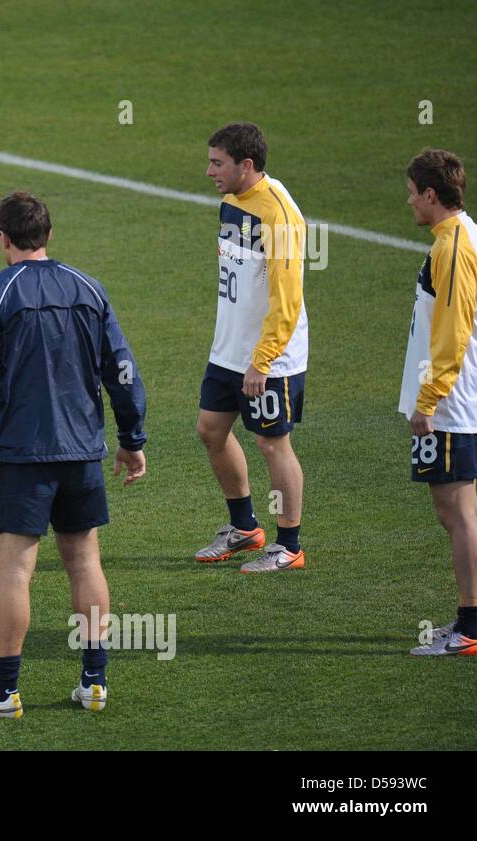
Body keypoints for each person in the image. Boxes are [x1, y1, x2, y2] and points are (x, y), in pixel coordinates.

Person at [0, 191, 147, 718]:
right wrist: (131, 439)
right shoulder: (89, 288)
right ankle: (94, 682)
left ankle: (5, 693)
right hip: (83, 452)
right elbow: (122, 371)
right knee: (85, 561)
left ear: (3, 238)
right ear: (49, 235)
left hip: (20, 455)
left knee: (15, 571)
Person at [196, 122, 309, 573]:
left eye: (217, 162)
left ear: (247, 164)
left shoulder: (279, 214)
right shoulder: (231, 201)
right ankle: (244, 528)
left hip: (269, 357)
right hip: (227, 350)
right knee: (210, 431)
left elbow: (288, 298)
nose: (209, 171)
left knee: (271, 443)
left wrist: (261, 361)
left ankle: (289, 545)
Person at [399, 149, 477, 656]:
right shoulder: (461, 235)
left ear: (431, 194)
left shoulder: (452, 247)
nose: (408, 202)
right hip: (457, 398)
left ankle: (469, 628)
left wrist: (427, 400)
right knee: (459, 511)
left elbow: (451, 333)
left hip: (449, 406)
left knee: (457, 512)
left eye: (412, 192)